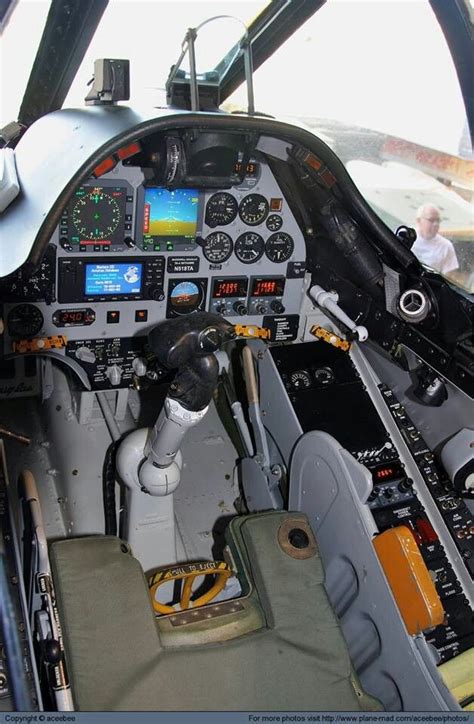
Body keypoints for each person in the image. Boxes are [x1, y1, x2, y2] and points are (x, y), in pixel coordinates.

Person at [411, 203, 459, 275]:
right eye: (431, 220)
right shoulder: (407, 235)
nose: (436, 224)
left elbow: (449, 276)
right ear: (418, 221)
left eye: (438, 220)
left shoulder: (446, 246)